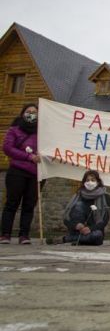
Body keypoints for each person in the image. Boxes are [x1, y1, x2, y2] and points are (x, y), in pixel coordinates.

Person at [1, 104, 40, 244]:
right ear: (23, 114)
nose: (31, 114)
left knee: (29, 205)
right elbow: (7, 148)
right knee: (12, 203)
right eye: (29, 112)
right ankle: (5, 234)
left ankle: (24, 235)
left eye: (34, 112)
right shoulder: (14, 130)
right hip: (17, 171)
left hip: (35, 173)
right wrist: (28, 157)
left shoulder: (42, 132)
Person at [61, 170, 110, 245]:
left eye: (93, 180)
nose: (90, 182)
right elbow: (66, 220)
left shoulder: (105, 197)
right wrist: (75, 225)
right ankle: (79, 239)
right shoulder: (78, 195)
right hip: (78, 230)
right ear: (84, 182)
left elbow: (105, 220)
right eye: (87, 180)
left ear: (98, 182)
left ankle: (67, 239)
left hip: (94, 231)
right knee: (78, 205)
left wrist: (90, 229)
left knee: (97, 235)